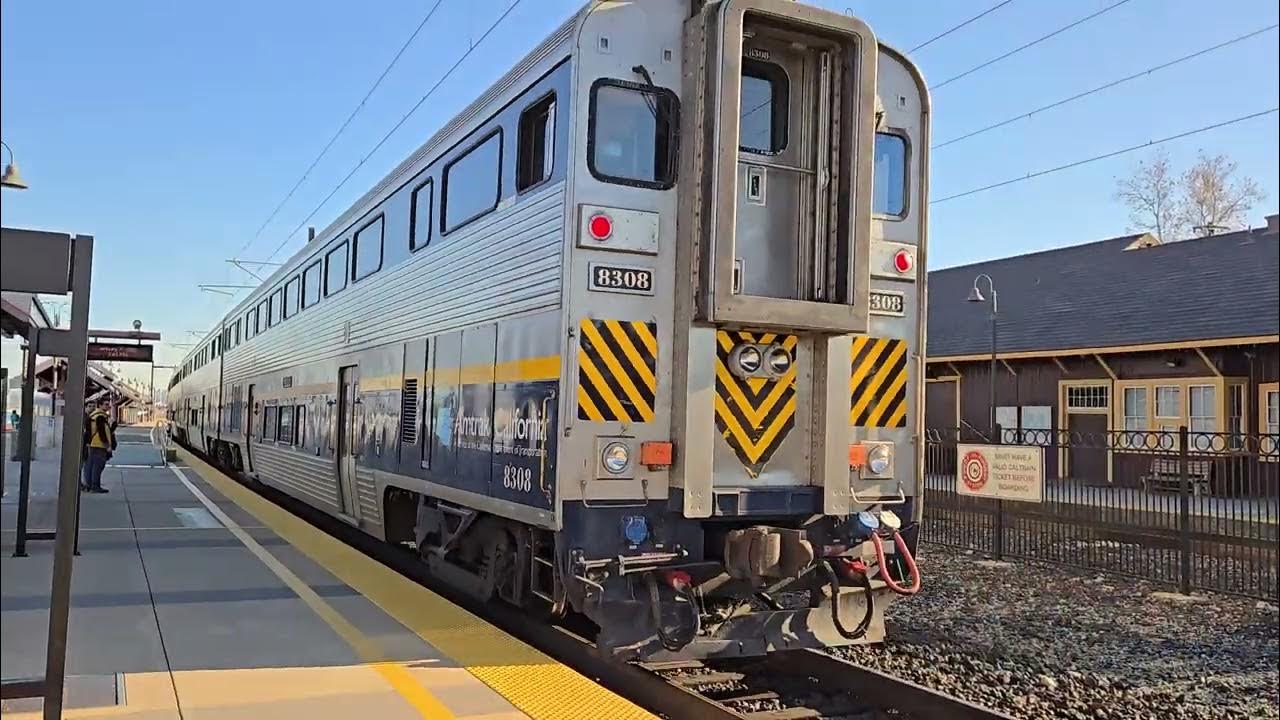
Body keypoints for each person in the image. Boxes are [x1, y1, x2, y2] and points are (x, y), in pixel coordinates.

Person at [81, 400, 116, 494]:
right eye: (106, 404)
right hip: (99, 445)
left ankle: (89, 485)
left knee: (91, 466)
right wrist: (107, 445)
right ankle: (95, 486)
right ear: (100, 405)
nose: (108, 406)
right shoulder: (100, 416)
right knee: (98, 466)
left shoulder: (93, 416)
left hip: (93, 444)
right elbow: (102, 432)